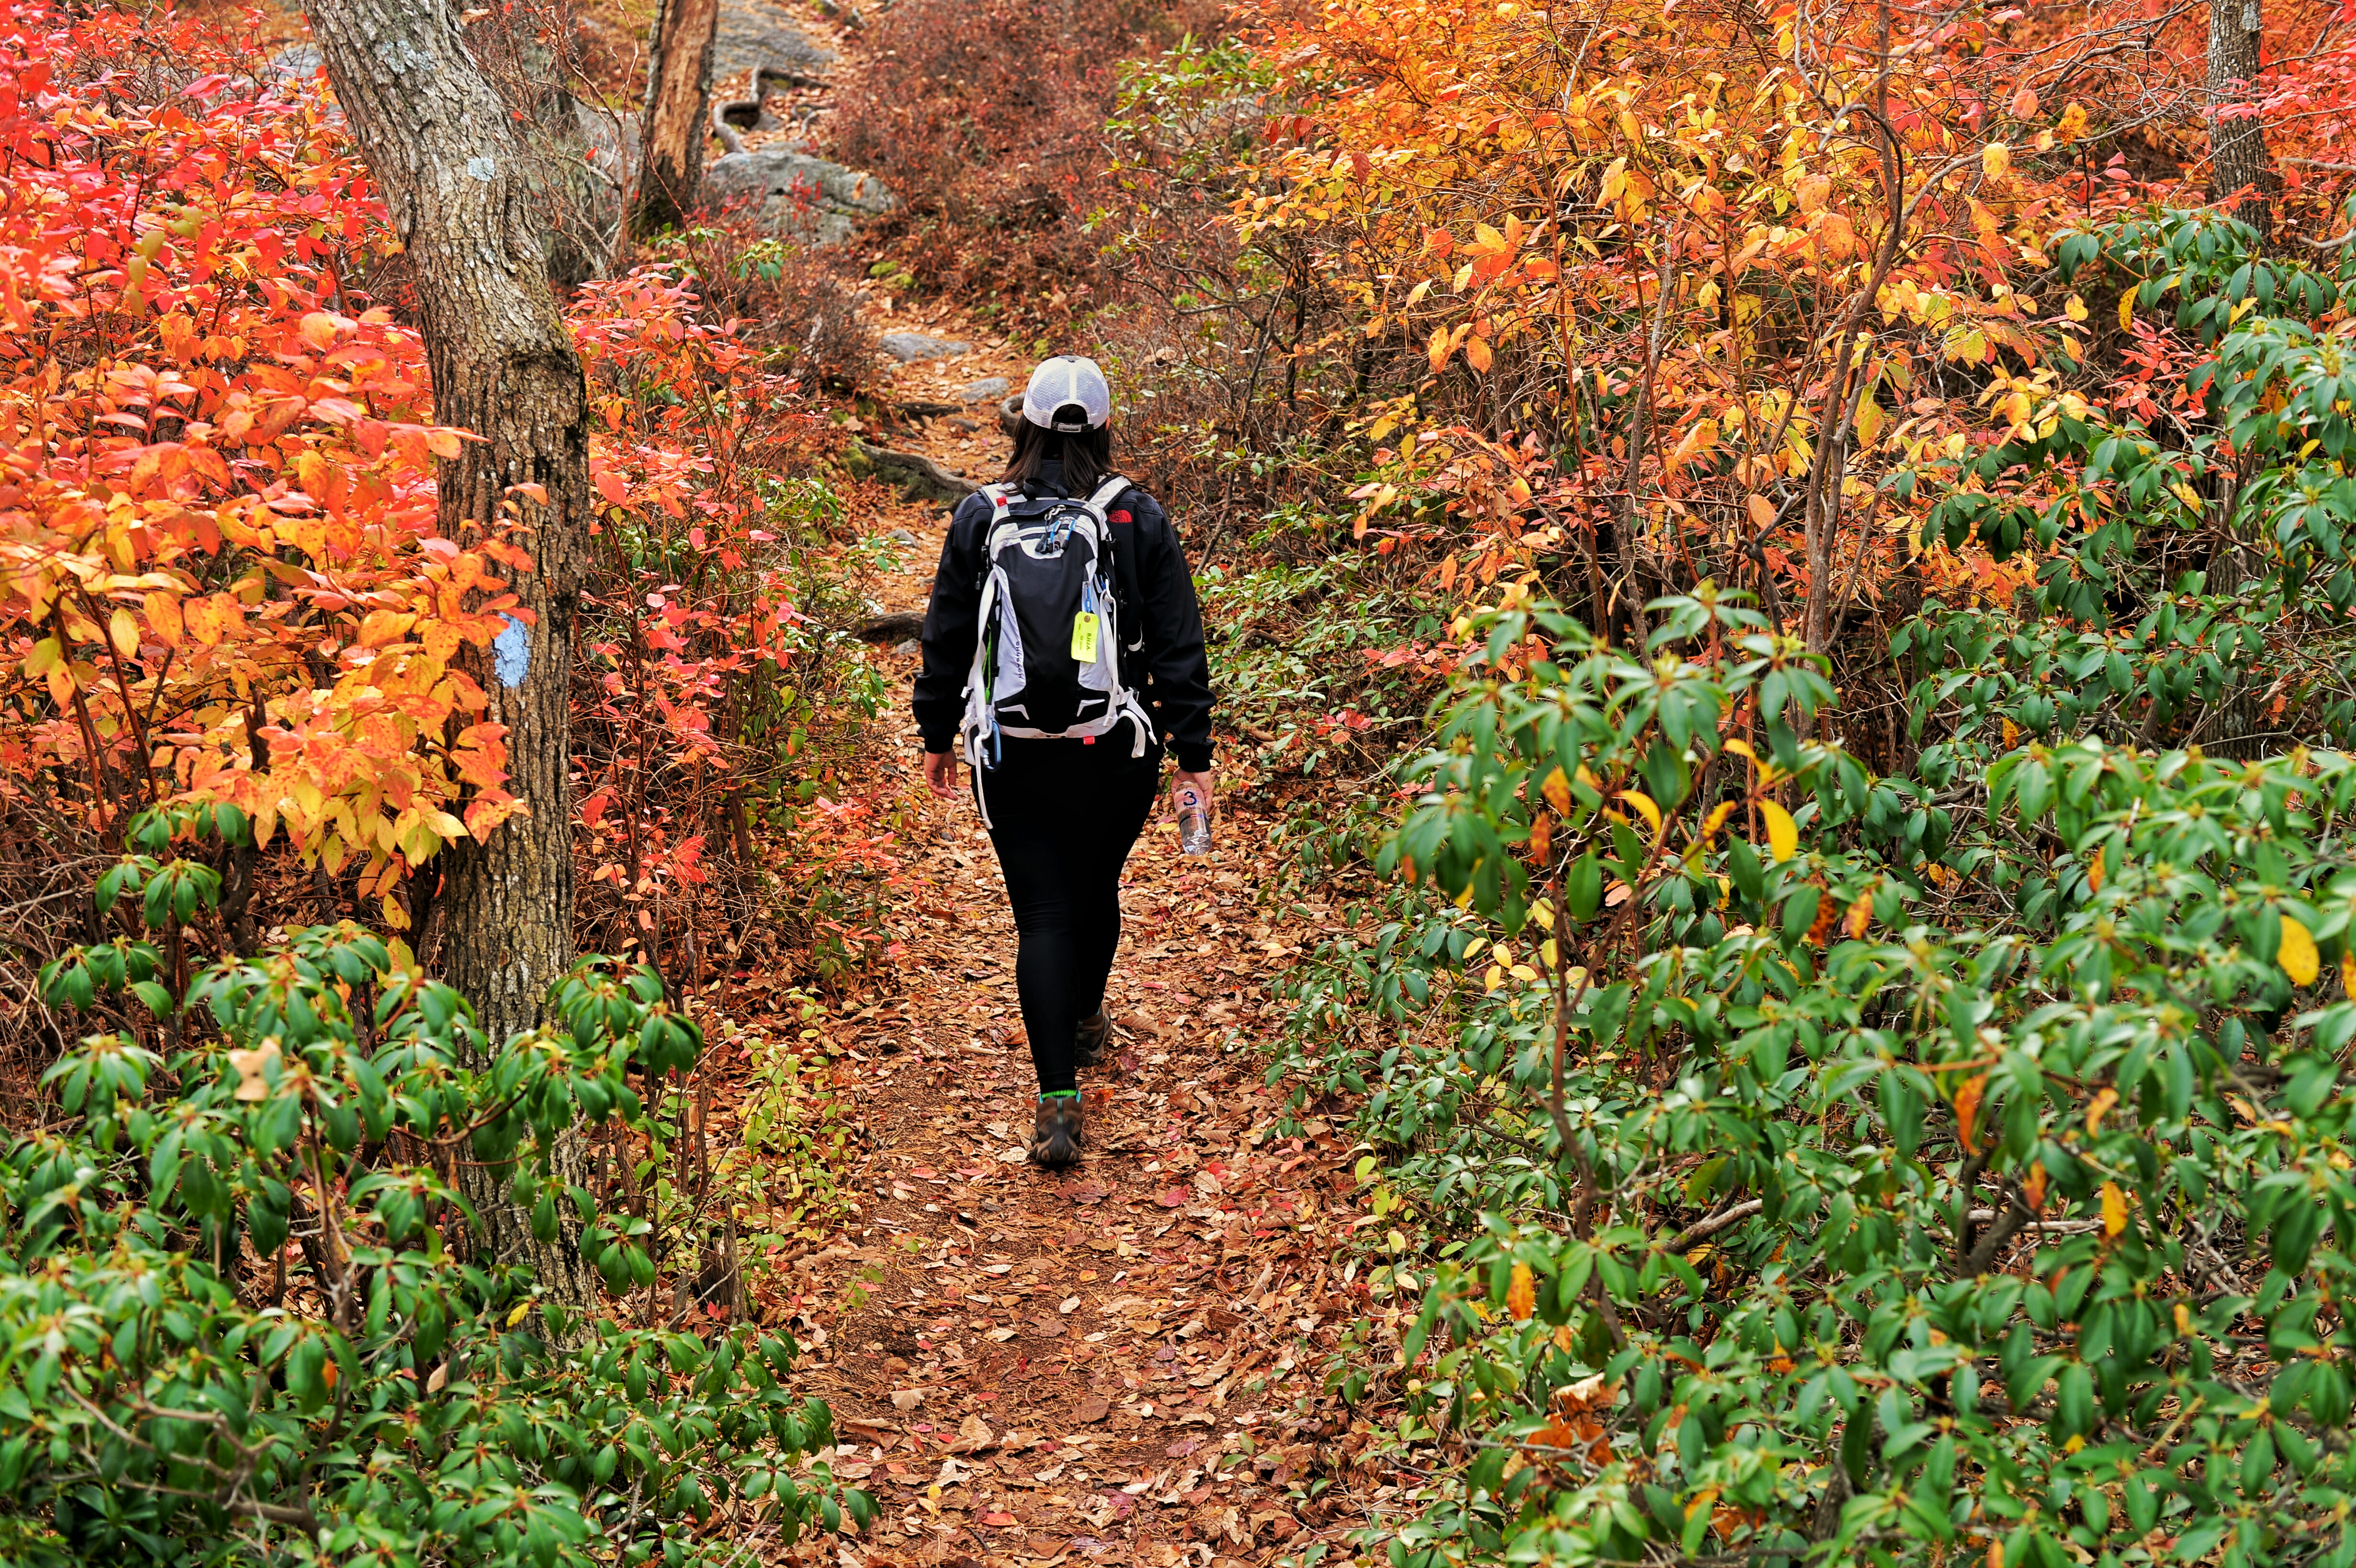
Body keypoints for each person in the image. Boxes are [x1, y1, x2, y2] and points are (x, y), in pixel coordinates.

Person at [912, 355, 1214, 1168]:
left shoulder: (982, 515)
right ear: (1105, 427)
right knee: (1096, 888)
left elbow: (945, 637)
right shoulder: (1137, 516)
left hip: (1013, 754)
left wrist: (936, 733)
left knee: (1043, 914)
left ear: (1028, 425)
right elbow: (1179, 644)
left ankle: (1056, 1106)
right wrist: (1195, 754)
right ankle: (1085, 1018)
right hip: (1116, 749)